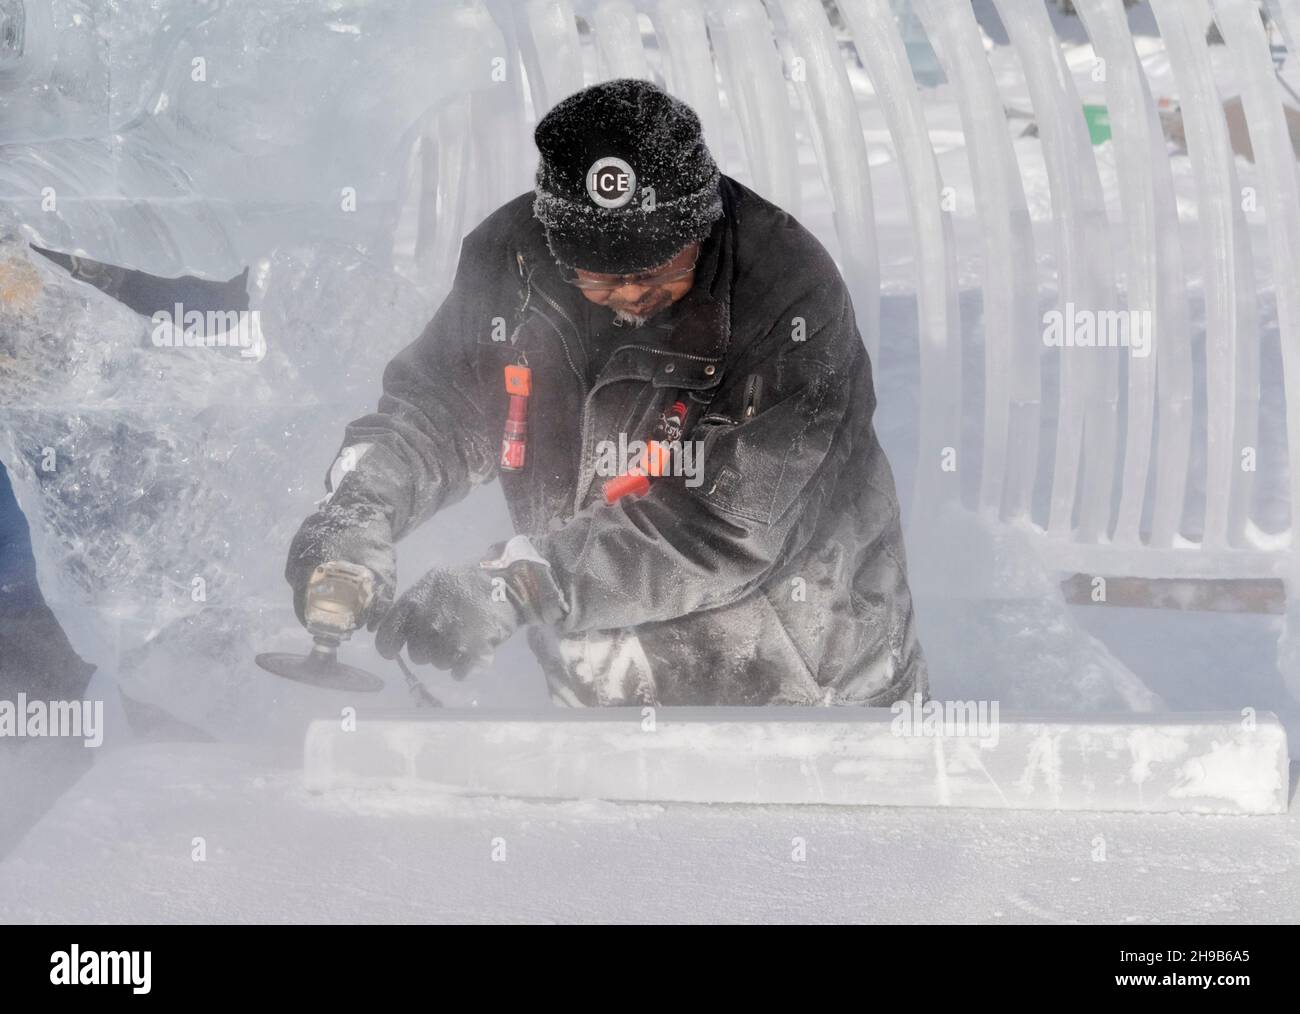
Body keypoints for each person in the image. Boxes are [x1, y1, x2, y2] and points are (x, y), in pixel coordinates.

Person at [285, 78, 927, 707]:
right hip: (600, 689)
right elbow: (437, 416)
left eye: (656, 270)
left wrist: (522, 585)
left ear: (700, 230)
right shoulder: (511, 263)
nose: (628, 295)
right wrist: (358, 511)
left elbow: (725, 531)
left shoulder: (787, 294)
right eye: (599, 275)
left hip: (804, 687)